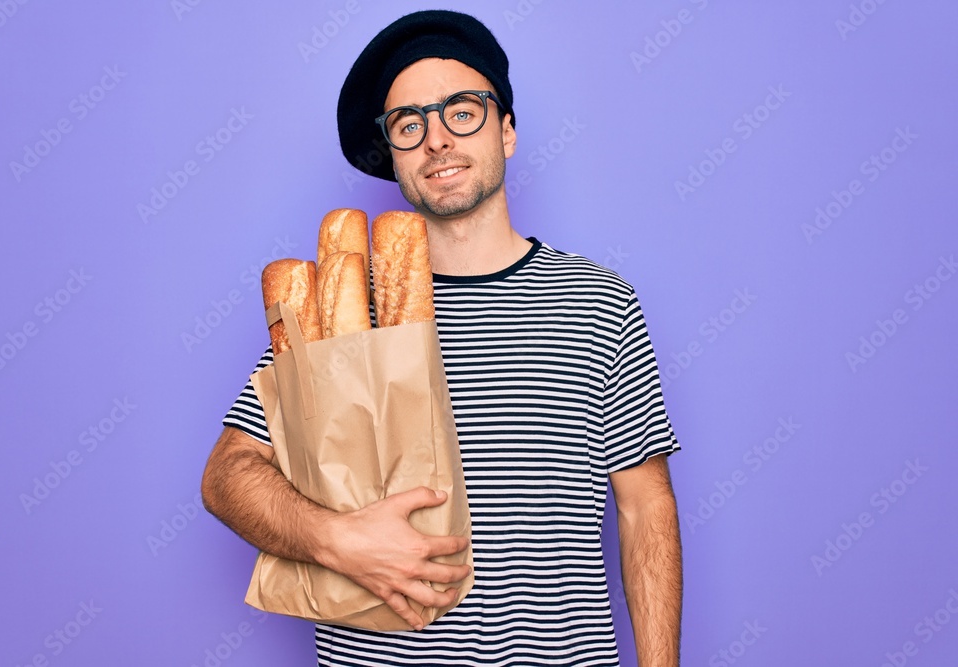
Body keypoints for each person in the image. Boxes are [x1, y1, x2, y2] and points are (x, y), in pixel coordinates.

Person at [202, 9, 682, 666]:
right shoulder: (343, 310)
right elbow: (227, 475)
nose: (437, 139)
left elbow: (644, 508)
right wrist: (337, 539)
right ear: (392, 156)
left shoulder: (598, 302)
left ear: (506, 129)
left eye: (462, 110)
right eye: (409, 124)